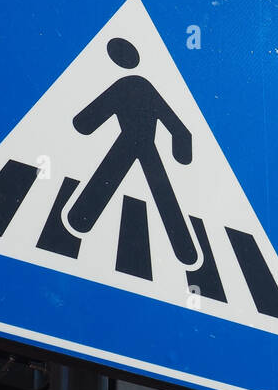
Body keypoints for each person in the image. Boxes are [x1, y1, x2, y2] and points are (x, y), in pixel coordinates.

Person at [66, 38, 198, 266]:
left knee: (112, 180)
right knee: (163, 193)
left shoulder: (130, 85)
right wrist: (181, 150)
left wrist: (84, 123)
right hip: (142, 147)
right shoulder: (138, 85)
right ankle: (185, 251)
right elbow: (178, 128)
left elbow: (86, 121)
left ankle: (79, 220)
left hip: (132, 145)